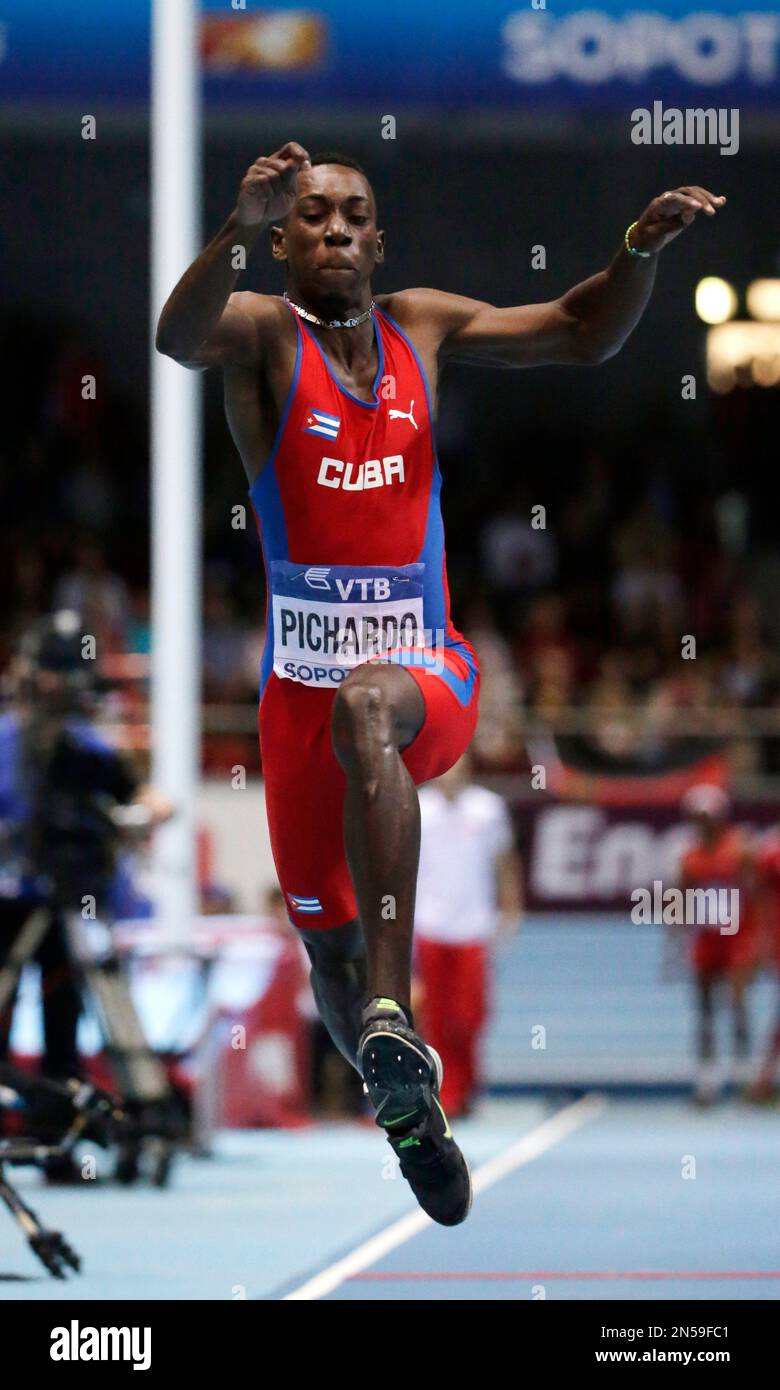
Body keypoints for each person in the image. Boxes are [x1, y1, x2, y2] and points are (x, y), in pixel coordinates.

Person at [156, 141, 725, 1224]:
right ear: (283, 242)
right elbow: (175, 338)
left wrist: (637, 252)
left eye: (350, 215)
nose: (330, 229)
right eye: (309, 217)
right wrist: (231, 229)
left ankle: (390, 1009)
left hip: (424, 674)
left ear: (377, 240)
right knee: (320, 951)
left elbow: (578, 328)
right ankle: (402, 1101)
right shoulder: (265, 336)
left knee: (372, 703)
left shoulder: (423, 324)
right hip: (296, 703)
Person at [414, 751, 522, 1117]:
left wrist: (511, 908)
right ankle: (447, 1091)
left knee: (470, 1016)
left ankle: (467, 1082)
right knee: (437, 1017)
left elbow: (505, 862)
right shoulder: (420, 808)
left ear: (469, 768)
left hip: (472, 927)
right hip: (431, 925)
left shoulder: (487, 809)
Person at [678, 785, 758, 1105]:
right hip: (706, 938)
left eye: (707, 817)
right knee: (705, 1010)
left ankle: (743, 1076)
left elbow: (756, 893)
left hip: (737, 937)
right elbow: (681, 898)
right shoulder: (690, 857)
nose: (703, 824)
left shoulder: (740, 850)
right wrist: (678, 938)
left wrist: (759, 938)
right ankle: (707, 1082)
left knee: (737, 1004)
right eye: (698, 818)